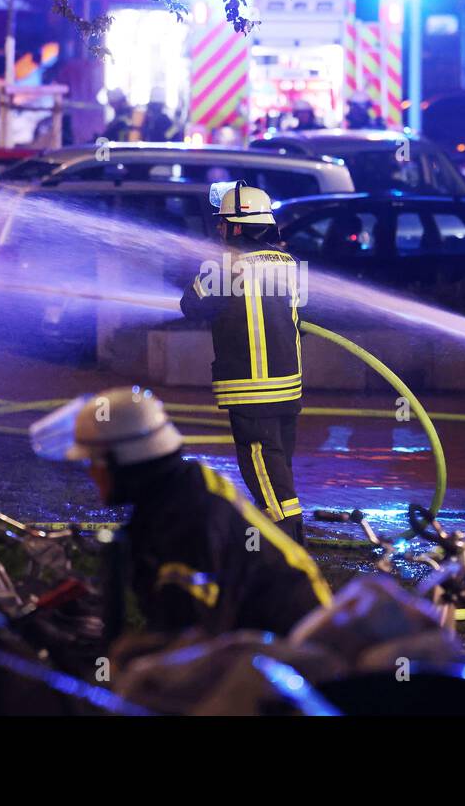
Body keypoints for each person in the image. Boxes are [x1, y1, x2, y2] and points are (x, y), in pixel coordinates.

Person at [61, 387, 331, 637]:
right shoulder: (180, 488)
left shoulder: (187, 519)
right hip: (272, 644)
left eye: (92, 461)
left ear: (123, 460)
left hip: (296, 658)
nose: (91, 472)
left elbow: (186, 644)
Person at [180, 182, 308, 545]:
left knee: (262, 468)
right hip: (289, 388)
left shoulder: (222, 267)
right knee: (278, 465)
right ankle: (280, 536)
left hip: (250, 389)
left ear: (237, 227)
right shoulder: (290, 263)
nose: (219, 230)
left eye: (223, 223)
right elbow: (304, 316)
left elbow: (191, 305)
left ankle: (288, 548)